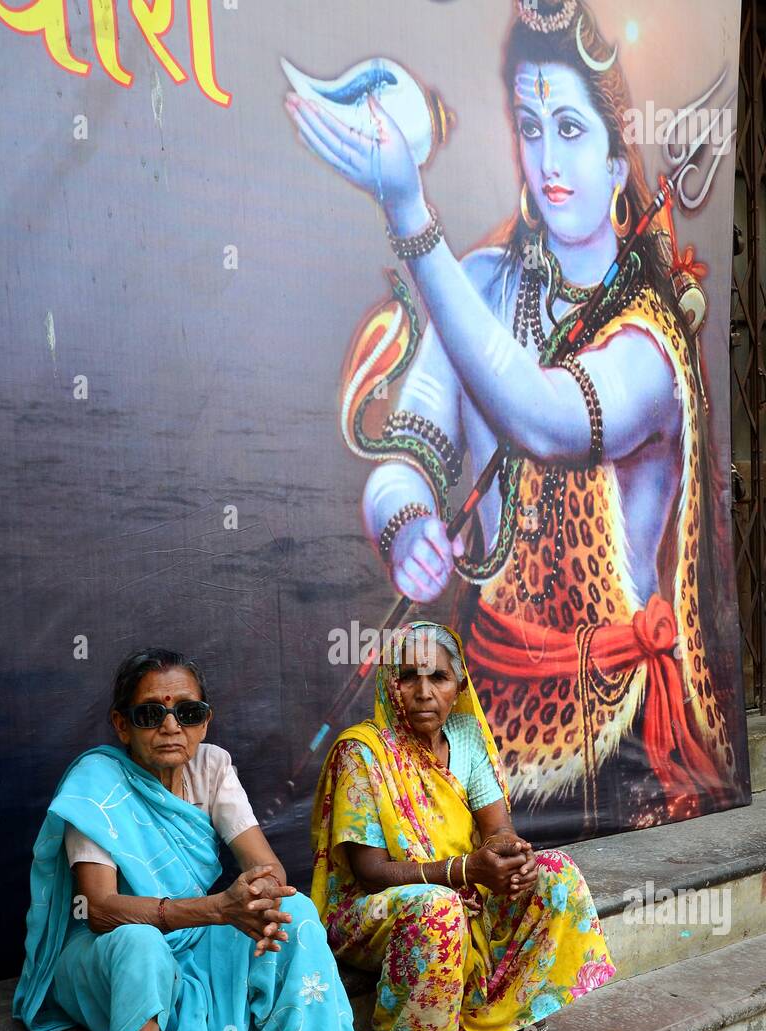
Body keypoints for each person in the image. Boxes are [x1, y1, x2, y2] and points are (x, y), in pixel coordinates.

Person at [286, 0, 739, 839]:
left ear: (615, 162)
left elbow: (542, 417)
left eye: (571, 128)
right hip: (480, 705)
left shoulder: (652, 332)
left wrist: (410, 217)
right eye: (530, 127)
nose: (549, 159)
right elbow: (409, 447)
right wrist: (407, 520)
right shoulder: (485, 280)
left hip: (614, 741)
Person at [14, 648, 388, 1031]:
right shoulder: (98, 786)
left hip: (184, 930)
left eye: (187, 712)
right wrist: (220, 910)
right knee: (138, 947)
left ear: (205, 722)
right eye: (151, 713)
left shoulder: (212, 767)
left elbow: (264, 867)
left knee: (295, 915)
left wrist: (260, 900)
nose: (170, 727)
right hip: (105, 951)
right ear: (120, 723)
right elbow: (100, 911)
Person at [311, 622, 615, 1031]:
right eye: (409, 676)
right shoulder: (362, 752)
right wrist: (462, 871)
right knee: (438, 908)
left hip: (459, 887)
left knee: (552, 874)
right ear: (391, 684)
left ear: (460, 685)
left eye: (439, 677)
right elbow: (369, 872)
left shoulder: (467, 736)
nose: (424, 691)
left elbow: (497, 826)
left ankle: (527, 1026)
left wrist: (509, 857)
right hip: (372, 910)